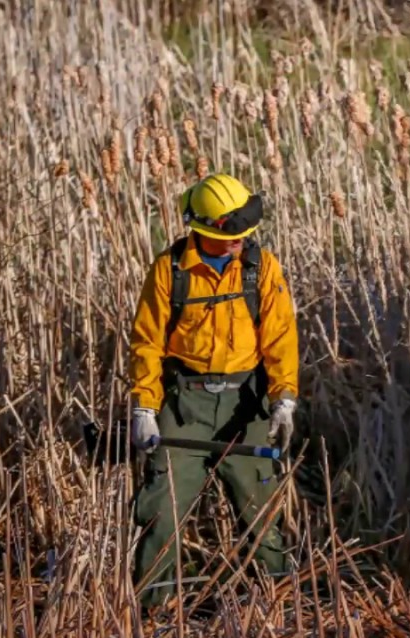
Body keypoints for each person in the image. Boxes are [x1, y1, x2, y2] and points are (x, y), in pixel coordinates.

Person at [127, 172, 300, 610]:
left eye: (247, 231)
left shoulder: (262, 267)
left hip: (247, 407)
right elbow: (147, 343)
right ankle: (151, 618)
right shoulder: (170, 271)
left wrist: (284, 400)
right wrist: (144, 408)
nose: (242, 239)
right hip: (184, 405)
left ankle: (280, 610)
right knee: (161, 515)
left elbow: (280, 337)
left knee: (260, 518)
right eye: (233, 234)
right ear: (203, 230)